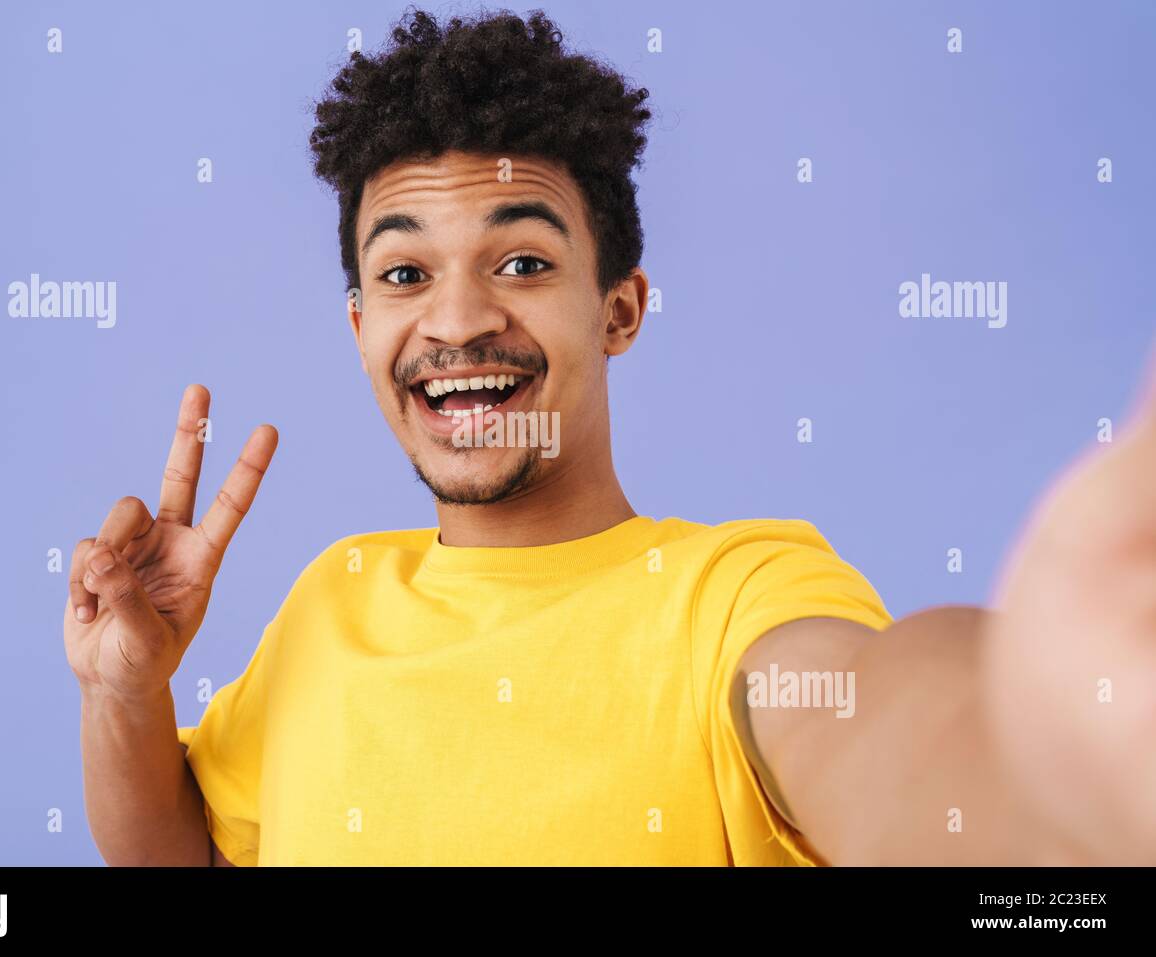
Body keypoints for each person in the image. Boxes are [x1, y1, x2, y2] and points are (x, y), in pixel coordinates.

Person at [65, 8, 1156, 866]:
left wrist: (1057, 733)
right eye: (404, 274)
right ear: (363, 330)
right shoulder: (328, 601)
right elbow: (188, 854)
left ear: (619, 311)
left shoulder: (733, 596)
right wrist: (126, 695)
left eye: (525, 263)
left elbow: (873, 720)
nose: (453, 321)